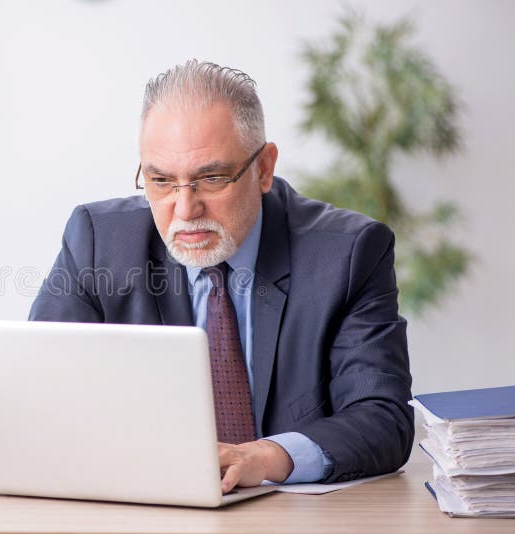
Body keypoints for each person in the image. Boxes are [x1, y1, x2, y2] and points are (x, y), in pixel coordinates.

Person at [29, 59, 413, 492]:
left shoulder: (348, 254)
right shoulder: (99, 241)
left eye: (210, 179)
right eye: (160, 180)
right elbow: (43, 391)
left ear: (264, 168)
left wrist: (266, 456)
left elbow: (383, 418)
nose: (185, 208)